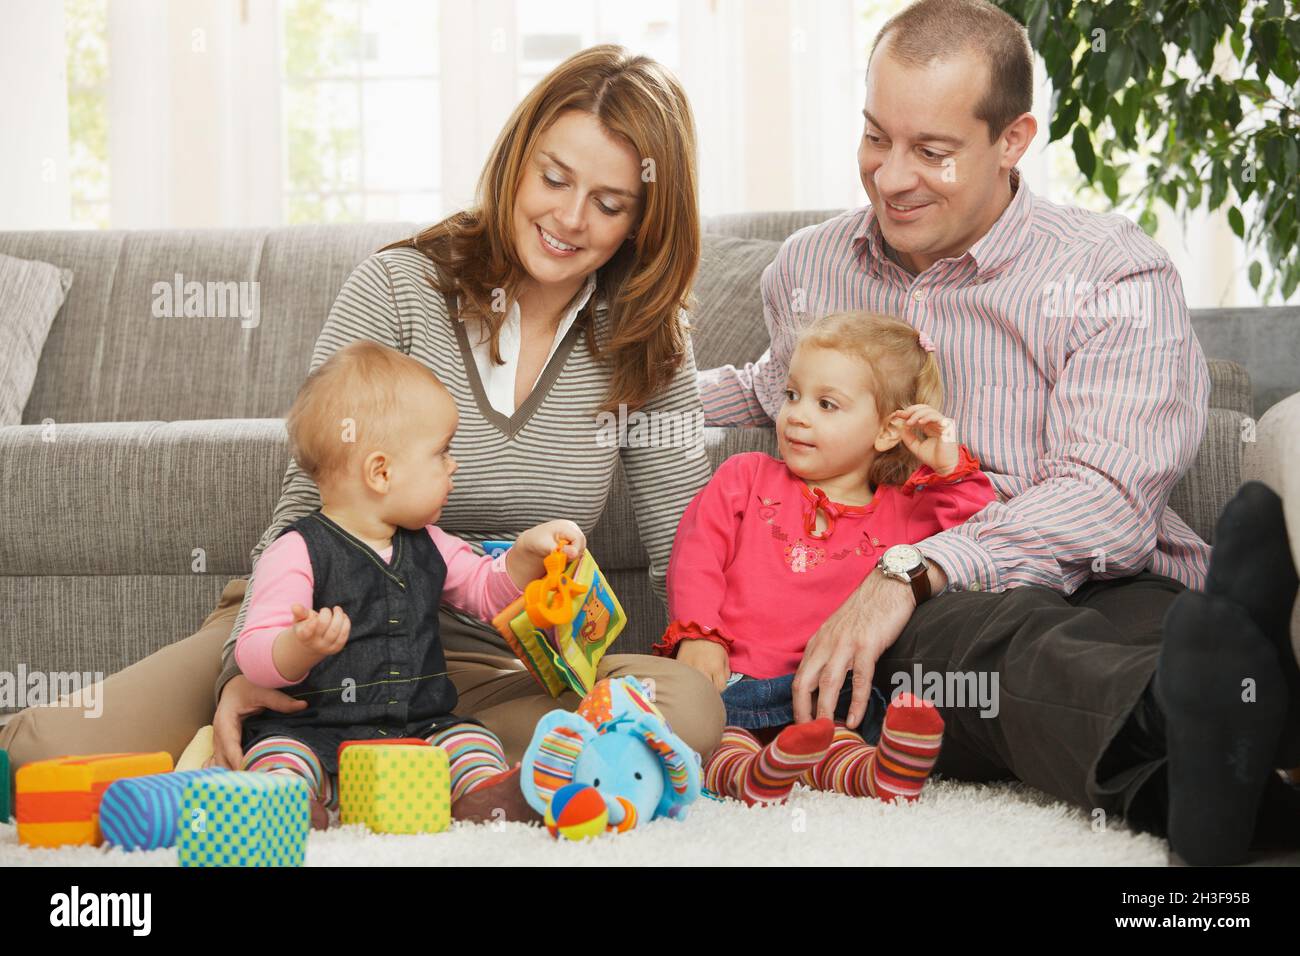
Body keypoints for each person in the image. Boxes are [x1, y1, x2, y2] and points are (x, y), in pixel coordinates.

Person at [0, 46, 725, 804]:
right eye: (553, 178)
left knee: (687, 711)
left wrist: (706, 638)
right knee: (44, 753)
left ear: (645, 218)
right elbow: (301, 507)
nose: (569, 219)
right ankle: (365, 751)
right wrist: (248, 673)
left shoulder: (649, 340)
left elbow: (686, 534)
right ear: (517, 161)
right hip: (318, 627)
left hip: (483, 666)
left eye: (610, 203)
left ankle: (376, 756)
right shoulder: (400, 286)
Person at [697, 0, 1300, 864]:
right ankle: (1215, 745)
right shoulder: (811, 267)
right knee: (955, 651)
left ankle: (1215, 711)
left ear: (1013, 139)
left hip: (1107, 582)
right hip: (949, 611)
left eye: (932, 151)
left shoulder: (1108, 271)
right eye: (876, 137)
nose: (891, 176)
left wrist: (915, 567)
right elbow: (766, 389)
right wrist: (610, 405)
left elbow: (1106, 498)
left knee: (1103, 644)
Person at [236, 340, 590, 827]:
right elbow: (254, 654)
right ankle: (289, 802)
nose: (453, 465)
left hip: (419, 728)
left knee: (472, 741)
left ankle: (482, 794)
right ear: (381, 472)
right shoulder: (296, 550)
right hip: (312, 725)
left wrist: (526, 554)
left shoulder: (432, 543)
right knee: (277, 754)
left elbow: (487, 593)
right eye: (442, 453)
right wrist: (300, 646)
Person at [665, 311, 994, 805]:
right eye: (792, 396)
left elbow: (980, 537)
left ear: (886, 432)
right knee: (716, 740)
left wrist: (949, 466)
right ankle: (753, 776)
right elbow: (696, 558)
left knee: (838, 743)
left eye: (826, 404)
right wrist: (697, 636)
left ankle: (879, 774)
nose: (797, 414)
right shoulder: (746, 476)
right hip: (731, 678)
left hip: (826, 694)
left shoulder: (904, 510)